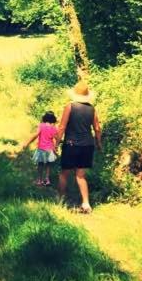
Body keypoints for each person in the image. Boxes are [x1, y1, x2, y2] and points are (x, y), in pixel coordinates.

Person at [56, 81, 102, 213]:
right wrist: (99, 143)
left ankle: (60, 199)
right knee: (81, 176)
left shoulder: (70, 107)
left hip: (71, 144)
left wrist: (56, 143)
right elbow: (97, 128)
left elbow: (62, 126)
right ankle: (86, 203)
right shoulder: (92, 109)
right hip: (87, 145)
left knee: (64, 173)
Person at [21, 111, 59, 186]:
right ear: (53, 119)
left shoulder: (41, 126)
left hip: (41, 149)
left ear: (44, 118)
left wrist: (28, 143)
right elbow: (56, 139)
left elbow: (36, 135)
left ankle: (39, 180)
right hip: (49, 150)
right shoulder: (54, 128)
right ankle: (47, 180)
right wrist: (55, 148)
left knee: (40, 165)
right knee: (48, 165)